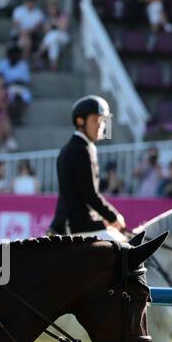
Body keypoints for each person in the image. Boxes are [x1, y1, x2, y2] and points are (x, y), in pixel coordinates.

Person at [48, 96, 126, 240]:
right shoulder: (80, 150)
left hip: (77, 222)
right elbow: (90, 195)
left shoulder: (79, 147)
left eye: (103, 121)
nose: (100, 126)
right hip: (74, 226)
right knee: (121, 244)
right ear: (80, 121)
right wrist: (113, 216)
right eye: (96, 120)